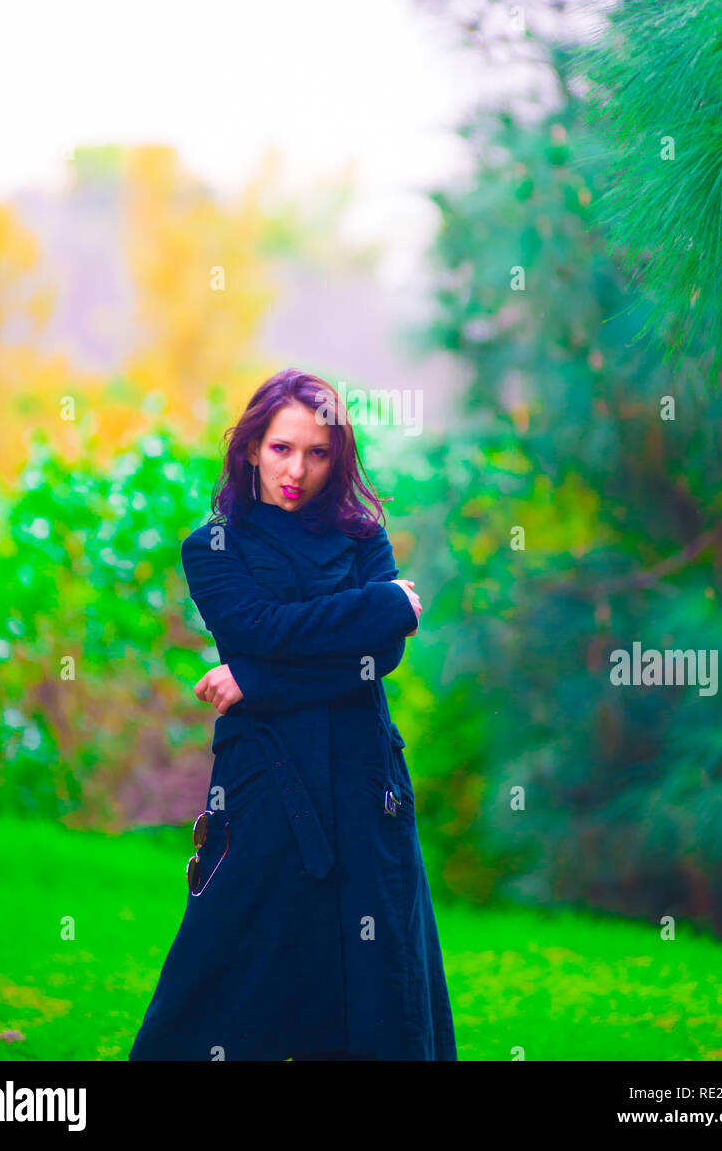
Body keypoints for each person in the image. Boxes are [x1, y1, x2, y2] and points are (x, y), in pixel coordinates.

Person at [129, 368, 457, 1061]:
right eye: (281, 449)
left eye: (316, 453)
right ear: (250, 448)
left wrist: (255, 680)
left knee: (375, 973)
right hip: (265, 780)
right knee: (223, 962)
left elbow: (380, 659)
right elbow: (261, 630)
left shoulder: (361, 534)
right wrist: (386, 606)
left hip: (367, 780)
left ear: (336, 458)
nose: (296, 470)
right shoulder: (213, 546)